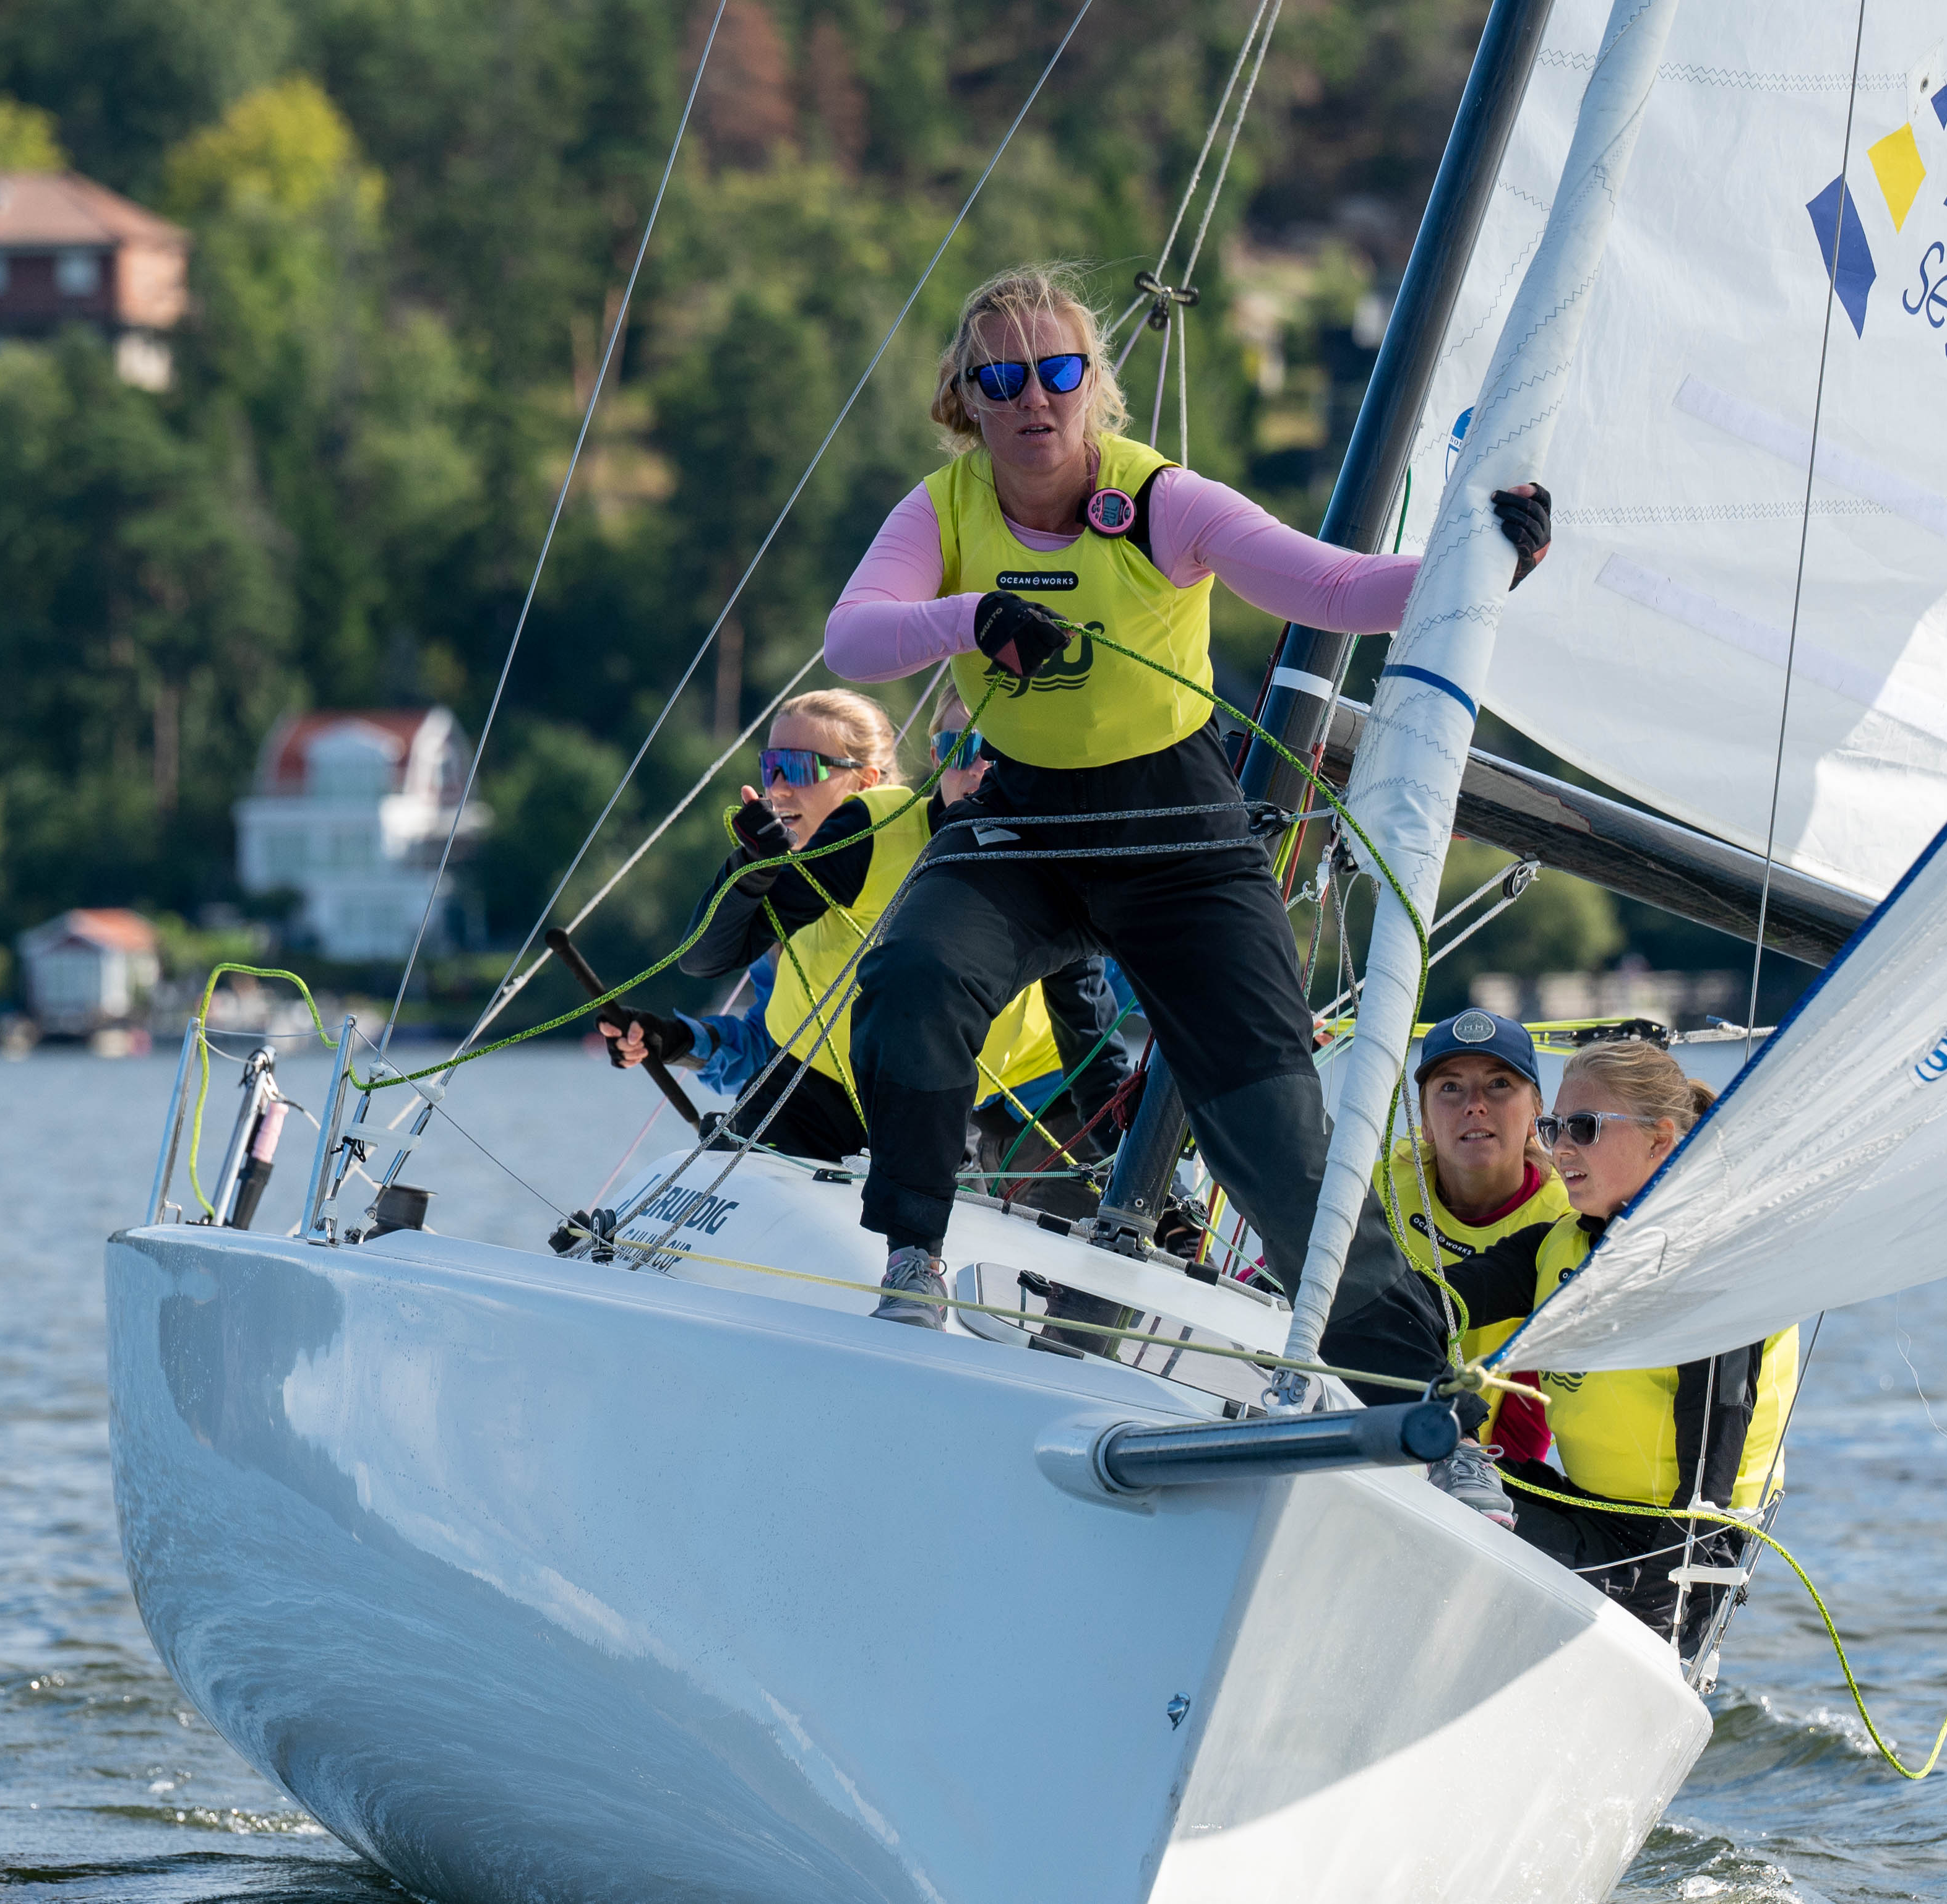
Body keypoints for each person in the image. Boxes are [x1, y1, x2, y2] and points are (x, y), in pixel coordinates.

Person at [822, 261, 1553, 1365]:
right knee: (912, 976)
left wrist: (1481, 566)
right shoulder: (944, 510)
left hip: (1178, 838)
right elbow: (853, 639)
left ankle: (1415, 1391)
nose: (1033, 398)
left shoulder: (1160, 501)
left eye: (1057, 371)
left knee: (1277, 1143)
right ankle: (912, 1258)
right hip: (1024, 826)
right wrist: (973, 617)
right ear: (961, 402)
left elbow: (1339, 590)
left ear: (1092, 388)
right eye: (1002, 378)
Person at [598, 687, 1132, 1164]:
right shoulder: (817, 887)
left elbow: (1106, 1019)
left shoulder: (1058, 872)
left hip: (1012, 1099)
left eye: (802, 768)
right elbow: (759, 1033)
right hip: (826, 1101)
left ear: (866, 782)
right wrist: (676, 1038)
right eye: (772, 767)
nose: (779, 788)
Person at [1438, 1037, 1800, 1651]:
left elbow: (1719, 1418)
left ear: (1660, 1139)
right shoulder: (1559, 1246)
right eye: (1552, 1126)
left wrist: (1674, 1595)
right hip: (1594, 1517)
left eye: (1583, 1126)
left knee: (1445, 1506)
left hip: (1676, 1554)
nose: (1561, 1146)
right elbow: (1431, 1300)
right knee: (1411, 1464)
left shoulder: (1711, 1257)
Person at [1373, 1007, 1571, 1522]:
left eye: (1499, 1084)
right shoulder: (1378, 1188)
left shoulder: (1565, 1222)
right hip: (1359, 1431)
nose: (1475, 1106)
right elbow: (1281, 1280)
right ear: (1424, 1117)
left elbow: (1536, 1397)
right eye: (1451, 1088)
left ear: (1536, 1112)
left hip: (1476, 1468)